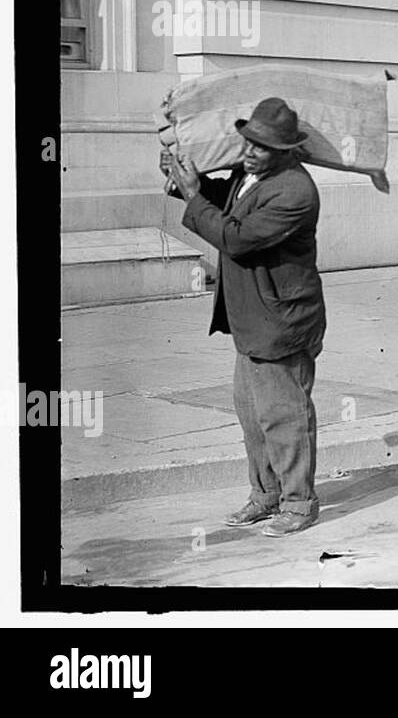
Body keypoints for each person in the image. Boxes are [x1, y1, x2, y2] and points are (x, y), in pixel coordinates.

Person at [161, 97, 326, 535]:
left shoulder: (295, 190)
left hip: (281, 322)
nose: (250, 150)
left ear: (287, 150)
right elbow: (221, 203)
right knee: (252, 415)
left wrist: (196, 197)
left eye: (262, 146)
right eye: (249, 141)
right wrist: (183, 182)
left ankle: (299, 504)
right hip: (252, 317)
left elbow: (236, 237)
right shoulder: (250, 174)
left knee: (284, 416)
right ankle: (266, 495)